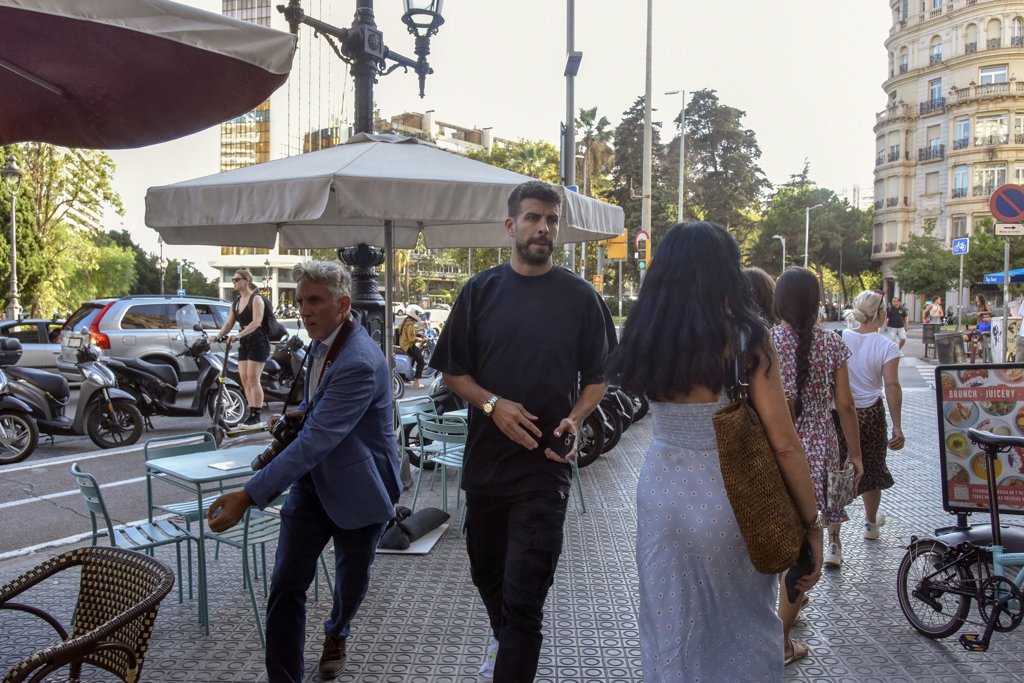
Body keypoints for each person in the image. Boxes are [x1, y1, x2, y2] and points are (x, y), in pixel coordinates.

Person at [609, 223, 822, 681]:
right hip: (732, 498)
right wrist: (812, 526)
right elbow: (785, 445)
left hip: (660, 494)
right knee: (743, 623)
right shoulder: (747, 338)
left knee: (669, 623)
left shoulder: (645, 334)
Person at [429, 180, 616, 681]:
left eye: (552, 220)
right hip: (487, 469)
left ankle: (511, 648)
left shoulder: (580, 298)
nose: (543, 228)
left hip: (545, 470)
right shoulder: (479, 292)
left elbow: (598, 378)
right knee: (487, 575)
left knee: (526, 599)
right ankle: (503, 636)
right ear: (510, 226)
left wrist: (576, 418)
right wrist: (493, 405)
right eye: (533, 218)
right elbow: (453, 371)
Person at [207, 261, 401, 683]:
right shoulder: (319, 341)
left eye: (315, 301)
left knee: (350, 583)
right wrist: (303, 410)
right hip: (312, 486)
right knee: (286, 586)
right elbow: (320, 409)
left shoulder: (360, 361)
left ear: (343, 304)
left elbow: (315, 442)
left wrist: (249, 494)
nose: (305, 310)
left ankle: (338, 631)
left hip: (361, 488)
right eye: (300, 301)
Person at [771, 266, 862, 663]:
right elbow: (845, 405)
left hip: (774, 452)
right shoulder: (833, 344)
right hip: (819, 452)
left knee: (778, 544)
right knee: (807, 554)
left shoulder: (767, 341)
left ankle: (775, 629)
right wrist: (855, 455)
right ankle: (780, 641)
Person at [840, 290, 904, 550]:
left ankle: (834, 541)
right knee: (873, 468)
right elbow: (892, 386)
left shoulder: (840, 338)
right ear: (879, 314)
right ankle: (870, 523)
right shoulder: (886, 346)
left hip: (841, 414)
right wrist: (898, 426)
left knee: (840, 470)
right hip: (872, 414)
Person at [216, 269, 269, 425]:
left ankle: (257, 415)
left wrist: (239, 335)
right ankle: (251, 413)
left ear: (246, 280)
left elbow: (256, 322)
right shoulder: (237, 302)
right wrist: (218, 336)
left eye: (236, 279)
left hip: (258, 341)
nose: (234, 282)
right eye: (233, 280)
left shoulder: (256, 299)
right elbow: (229, 323)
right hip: (245, 343)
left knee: (253, 378)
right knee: (245, 379)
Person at [398, 304, 427, 389]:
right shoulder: (409, 324)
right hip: (408, 346)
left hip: (405, 344)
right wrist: (423, 340)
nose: (418, 315)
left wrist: (419, 332)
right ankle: (416, 383)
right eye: (417, 313)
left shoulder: (407, 321)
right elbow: (411, 338)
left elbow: (410, 334)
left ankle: (410, 377)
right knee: (421, 362)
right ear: (413, 313)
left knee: (415, 358)